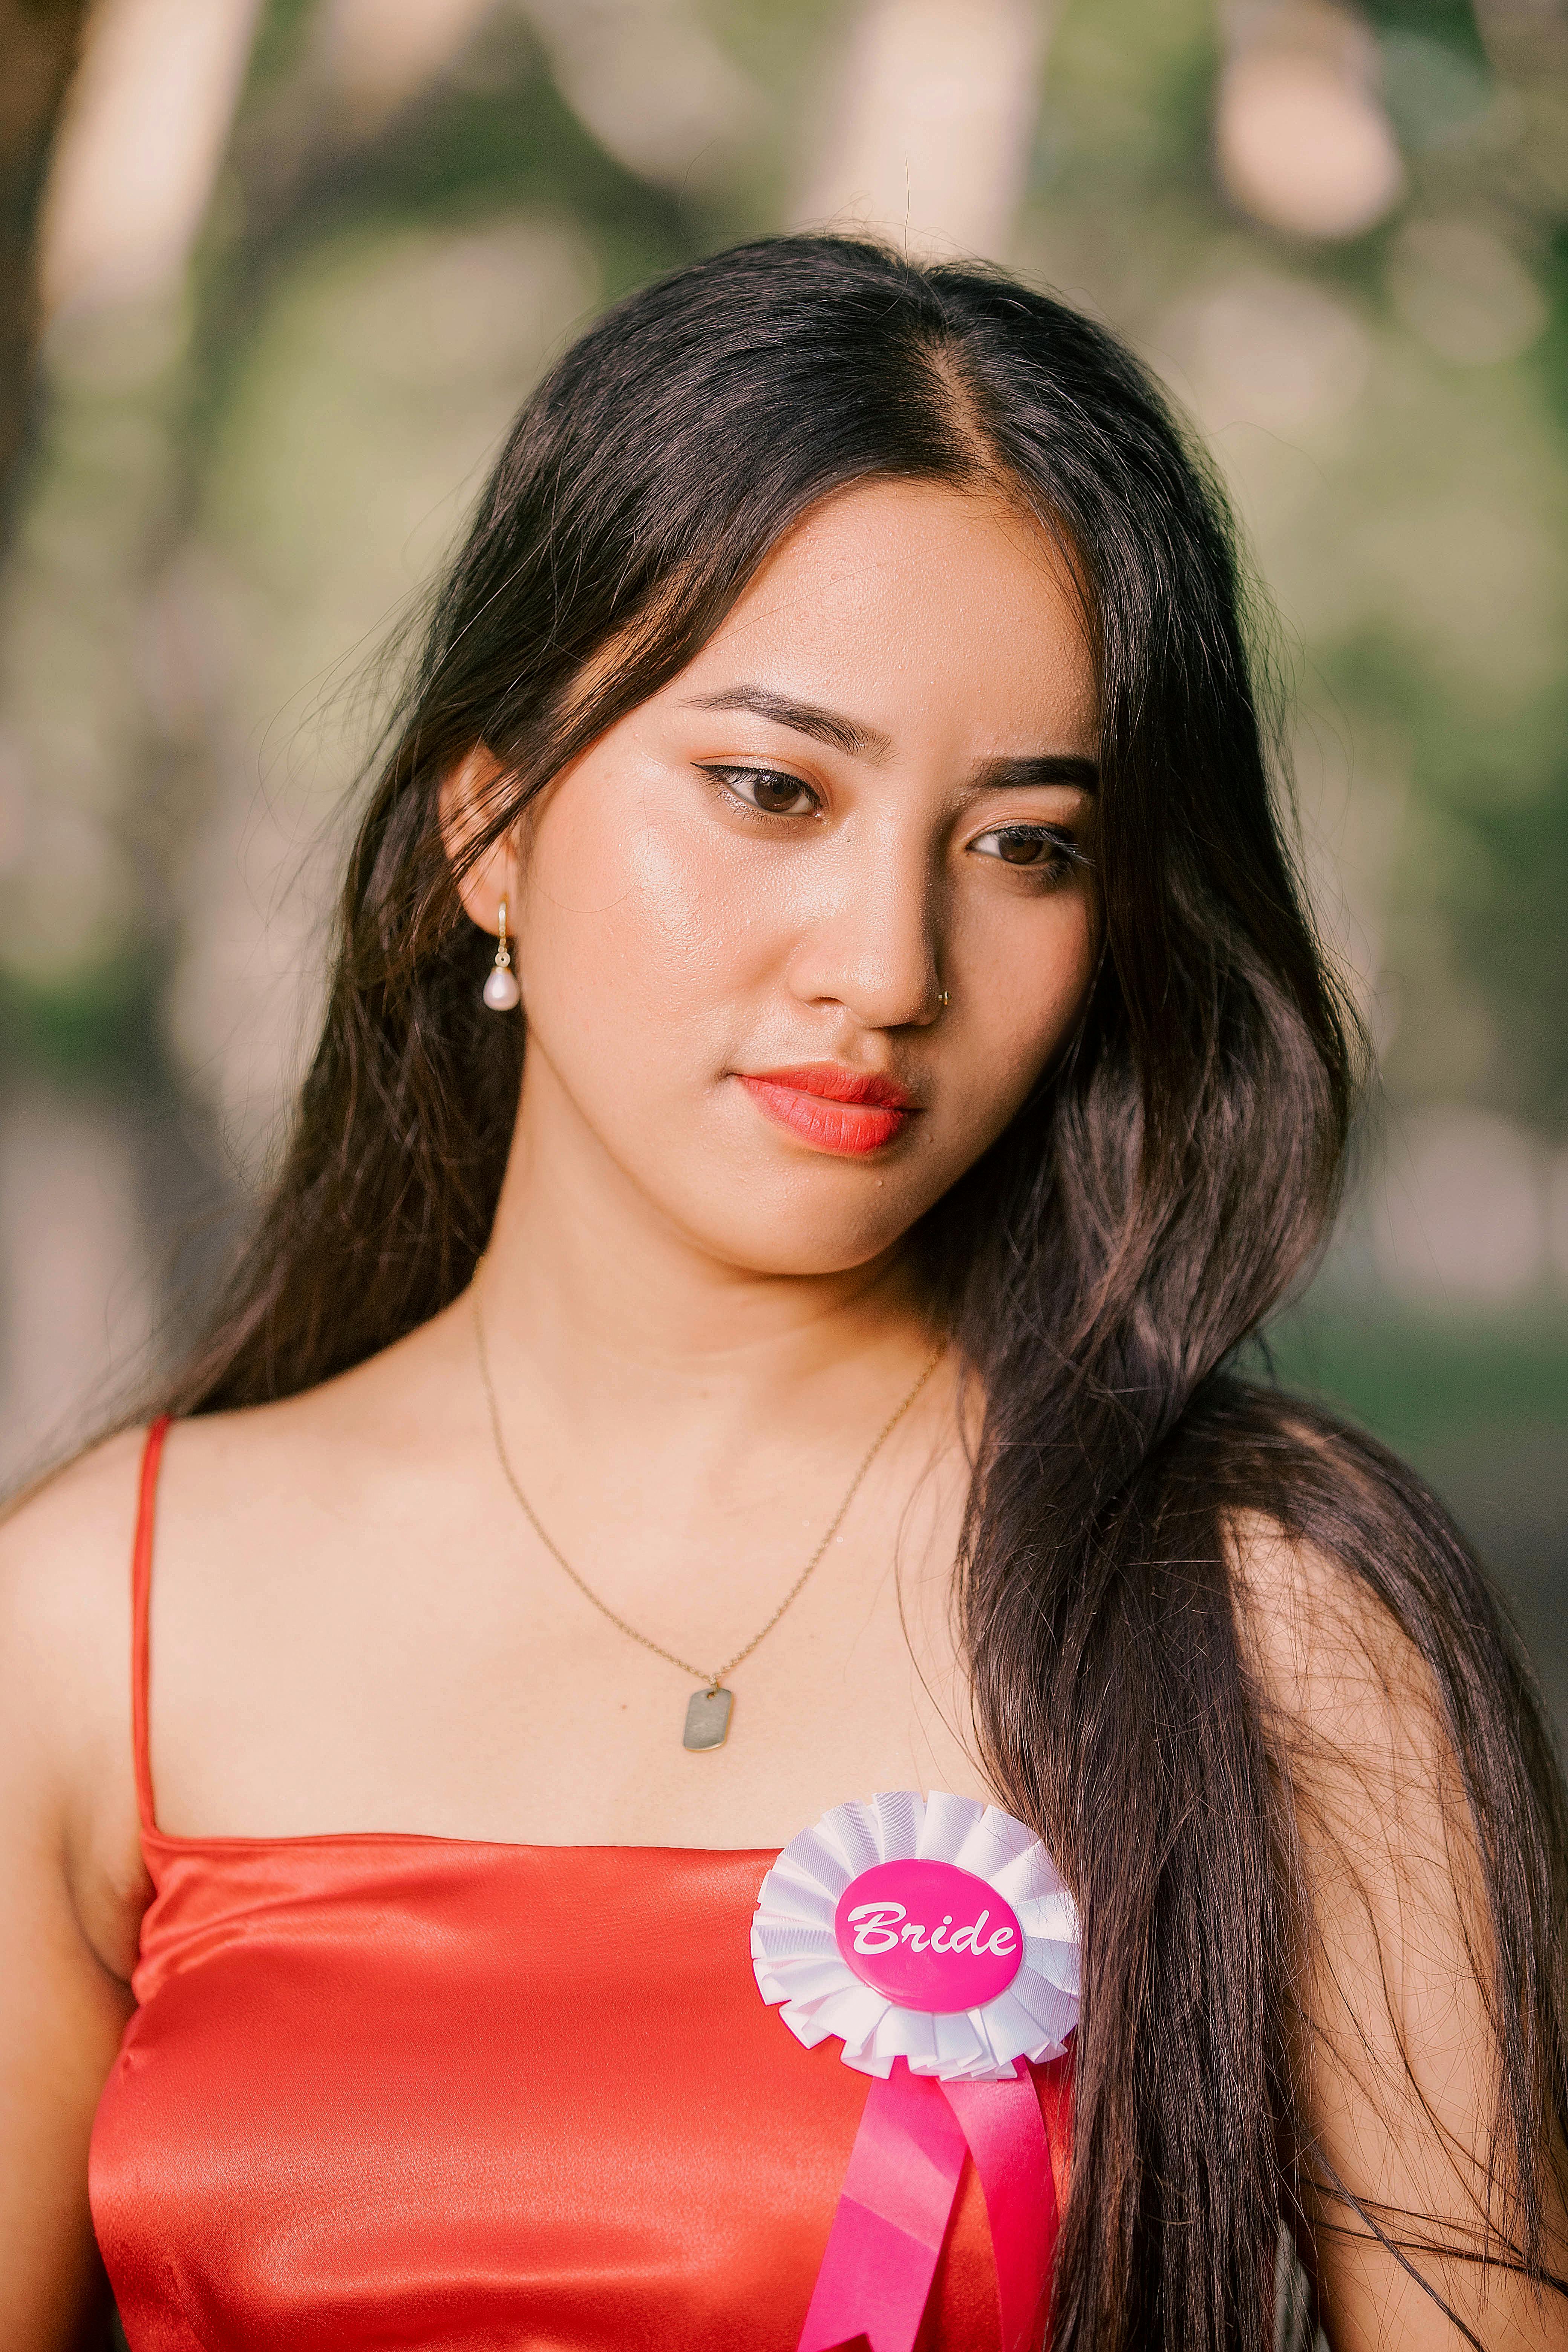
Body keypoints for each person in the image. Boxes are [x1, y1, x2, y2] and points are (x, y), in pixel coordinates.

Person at [2, 236, 1564, 2352]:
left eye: (1025, 846)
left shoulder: (1268, 1629)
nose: (892, 967)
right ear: (492, 824)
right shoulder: (95, 1623)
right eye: (773, 791)